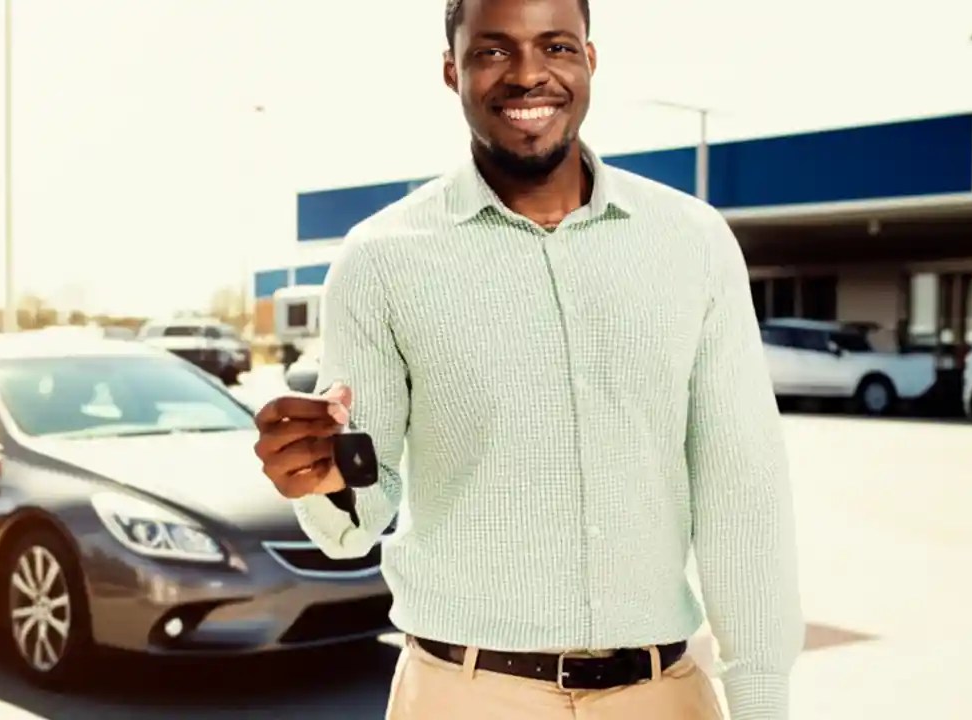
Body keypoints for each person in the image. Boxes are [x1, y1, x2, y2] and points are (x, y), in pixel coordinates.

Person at [251, 0, 803, 717]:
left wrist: (762, 700)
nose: (529, 75)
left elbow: (742, 492)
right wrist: (321, 479)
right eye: (493, 51)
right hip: (465, 694)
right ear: (452, 70)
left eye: (556, 47)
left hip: (662, 698)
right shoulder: (379, 259)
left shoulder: (692, 242)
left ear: (590, 60)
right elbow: (359, 515)